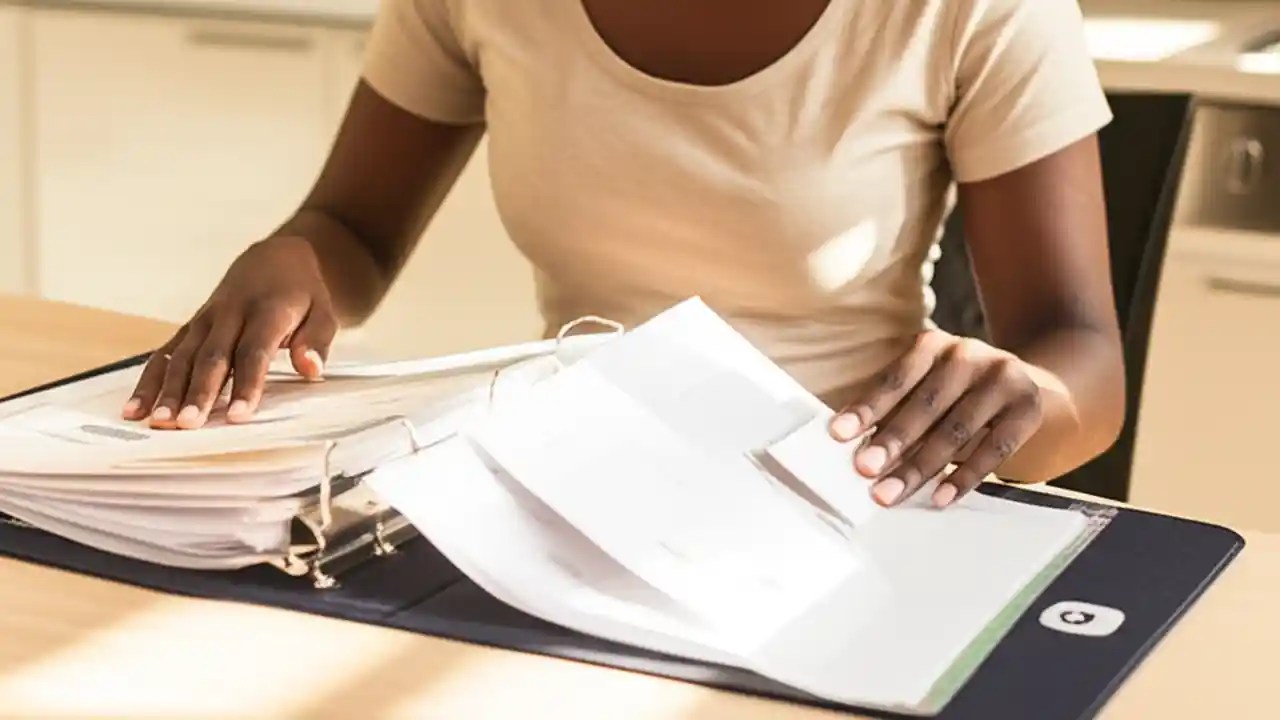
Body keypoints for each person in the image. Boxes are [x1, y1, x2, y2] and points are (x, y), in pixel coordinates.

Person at [120, 0, 1125, 510]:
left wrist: (1015, 406)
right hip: (577, 492)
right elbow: (353, 232)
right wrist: (297, 256)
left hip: (850, 499)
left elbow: (1076, 354)